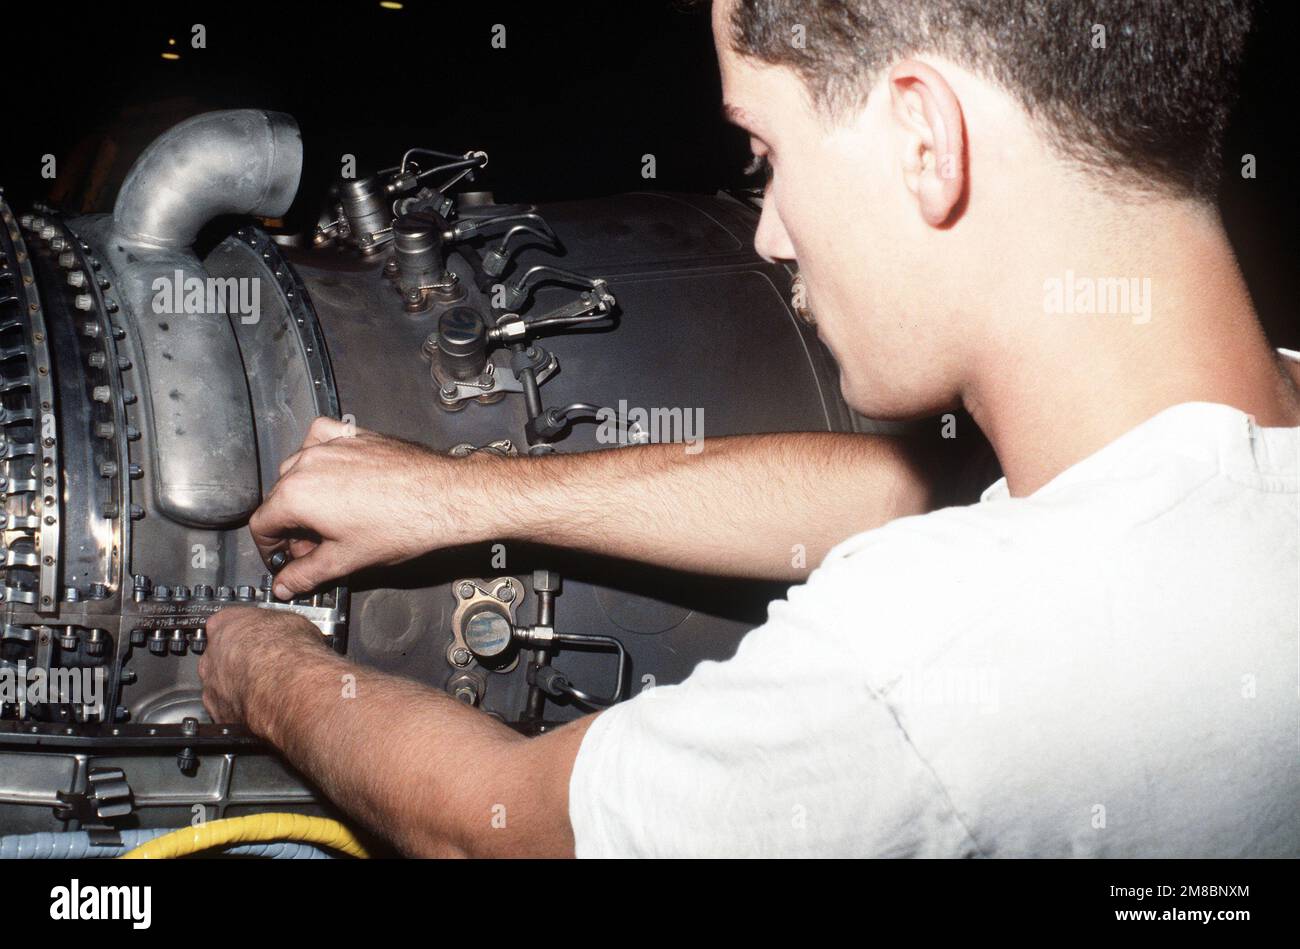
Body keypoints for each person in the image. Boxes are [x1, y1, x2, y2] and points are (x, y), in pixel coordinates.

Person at [199, 0, 1300, 857]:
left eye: (765, 158)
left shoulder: (917, 677)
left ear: (924, 136)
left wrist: (265, 671)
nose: (767, 233)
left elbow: (497, 822)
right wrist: (462, 494)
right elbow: (903, 493)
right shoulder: (1221, 439)